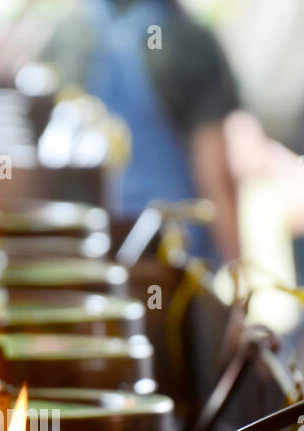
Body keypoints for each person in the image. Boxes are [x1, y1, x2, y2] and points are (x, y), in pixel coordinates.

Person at [61, 0, 242, 263]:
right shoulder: (189, 39)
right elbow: (214, 173)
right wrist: (237, 267)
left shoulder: (69, 32)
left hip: (88, 253)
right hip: (172, 257)